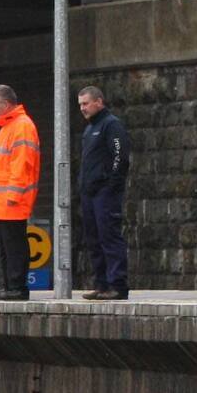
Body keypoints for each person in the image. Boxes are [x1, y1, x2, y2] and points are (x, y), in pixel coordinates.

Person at [0, 85, 43, 300]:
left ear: (6, 104)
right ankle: (9, 287)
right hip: (4, 200)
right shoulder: (9, 127)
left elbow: (22, 166)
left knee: (14, 245)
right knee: (6, 246)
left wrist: (13, 196)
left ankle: (17, 288)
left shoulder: (21, 126)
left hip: (12, 200)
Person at [76, 86, 131, 300]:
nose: (82, 108)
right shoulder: (90, 129)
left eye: (86, 103)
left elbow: (120, 155)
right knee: (94, 239)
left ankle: (117, 285)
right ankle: (102, 284)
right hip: (89, 193)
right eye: (80, 104)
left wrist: (112, 183)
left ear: (99, 102)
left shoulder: (111, 125)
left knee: (109, 237)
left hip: (104, 193)